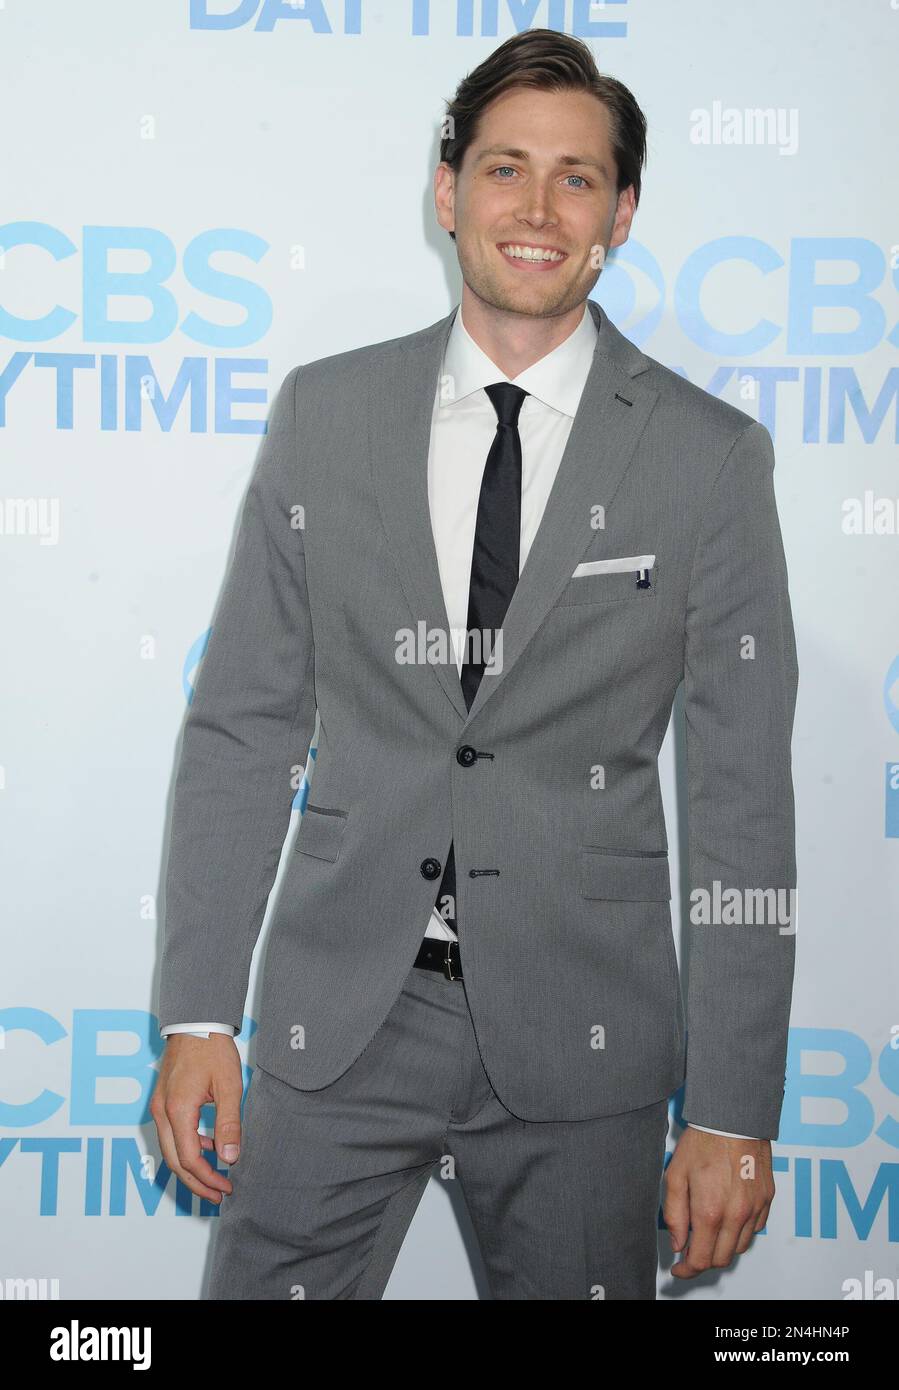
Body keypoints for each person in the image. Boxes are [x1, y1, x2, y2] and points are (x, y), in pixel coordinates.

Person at [151, 28, 798, 1300]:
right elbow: (242, 724)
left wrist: (730, 1107)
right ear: (445, 191)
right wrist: (198, 1015)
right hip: (337, 1021)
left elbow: (740, 804)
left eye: (574, 176)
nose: (537, 208)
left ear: (620, 211)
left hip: (582, 1036)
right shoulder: (324, 416)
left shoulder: (706, 457)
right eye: (505, 168)